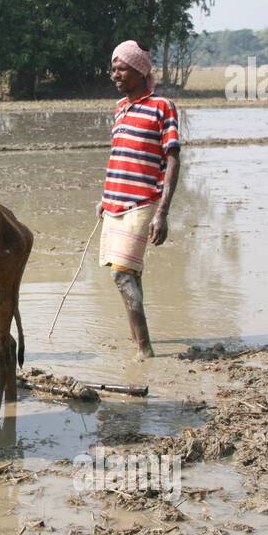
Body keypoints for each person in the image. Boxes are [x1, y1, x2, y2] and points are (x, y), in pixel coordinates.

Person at [96, 40, 180, 360]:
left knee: (121, 274)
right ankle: (140, 342)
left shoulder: (162, 107)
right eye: (113, 69)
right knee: (131, 274)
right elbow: (119, 157)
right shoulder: (120, 108)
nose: (115, 75)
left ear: (140, 71)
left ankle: (144, 350)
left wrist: (163, 212)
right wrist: (104, 198)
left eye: (122, 69)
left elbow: (172, 159)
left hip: (143, 203)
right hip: (114, 204)